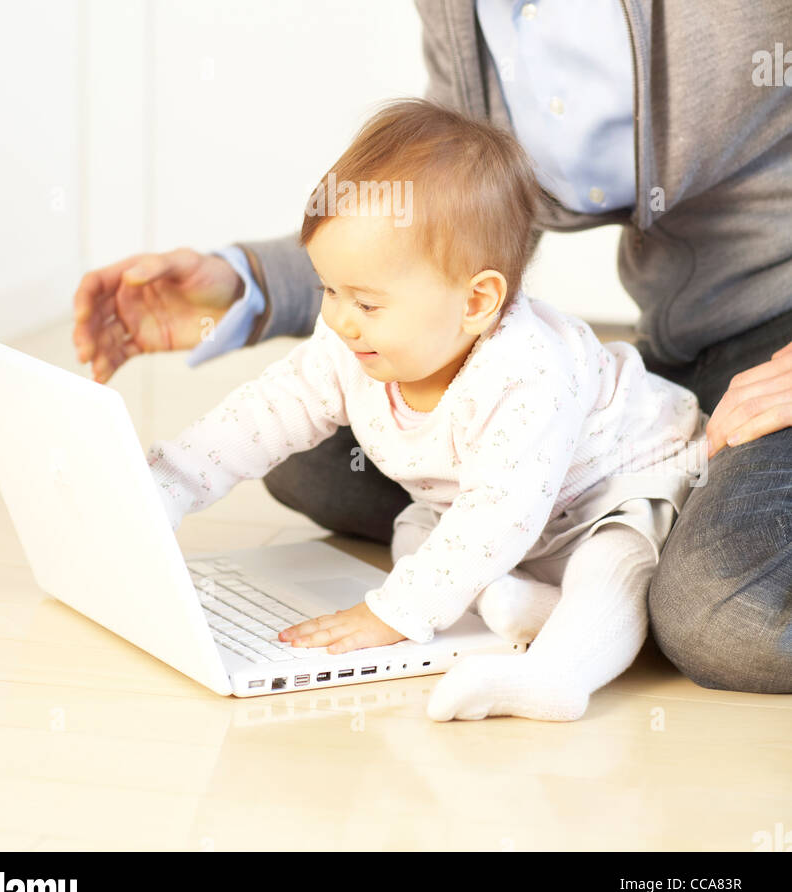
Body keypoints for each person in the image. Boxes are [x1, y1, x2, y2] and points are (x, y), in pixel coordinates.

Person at [73, 0, 792, 695]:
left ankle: (658, 538)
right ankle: (640, 501)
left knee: (722, 616)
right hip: (678, 354)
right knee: (334, 443)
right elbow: (455, 219)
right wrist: (251, 279)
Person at [144, 99, 708, 722]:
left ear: (476, 302)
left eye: (366, 301)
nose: (338, 319)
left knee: (613, 565)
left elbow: (499, 513)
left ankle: (559, 672)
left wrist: (392, 614)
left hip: (620, 488)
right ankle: (525, 604)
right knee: (414, 532)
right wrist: (168, 481)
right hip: (519, 516)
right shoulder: (351, 341)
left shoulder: (526, 372)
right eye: (328, 289)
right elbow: (266, 411)